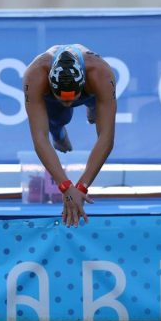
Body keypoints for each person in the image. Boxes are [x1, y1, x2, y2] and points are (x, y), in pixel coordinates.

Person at [23, 44, 117, 228]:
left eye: (73, 99)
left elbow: (106, 138)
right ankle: (59, 132)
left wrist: (81, 187)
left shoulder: (101, 73)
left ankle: (92, 108)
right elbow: (40, 138)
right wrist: (66, 187)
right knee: (59, 118)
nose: (69, 103)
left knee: (99, 114)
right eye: (64, 99)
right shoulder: (34, 75)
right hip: (58, 96)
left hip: (91, 92)